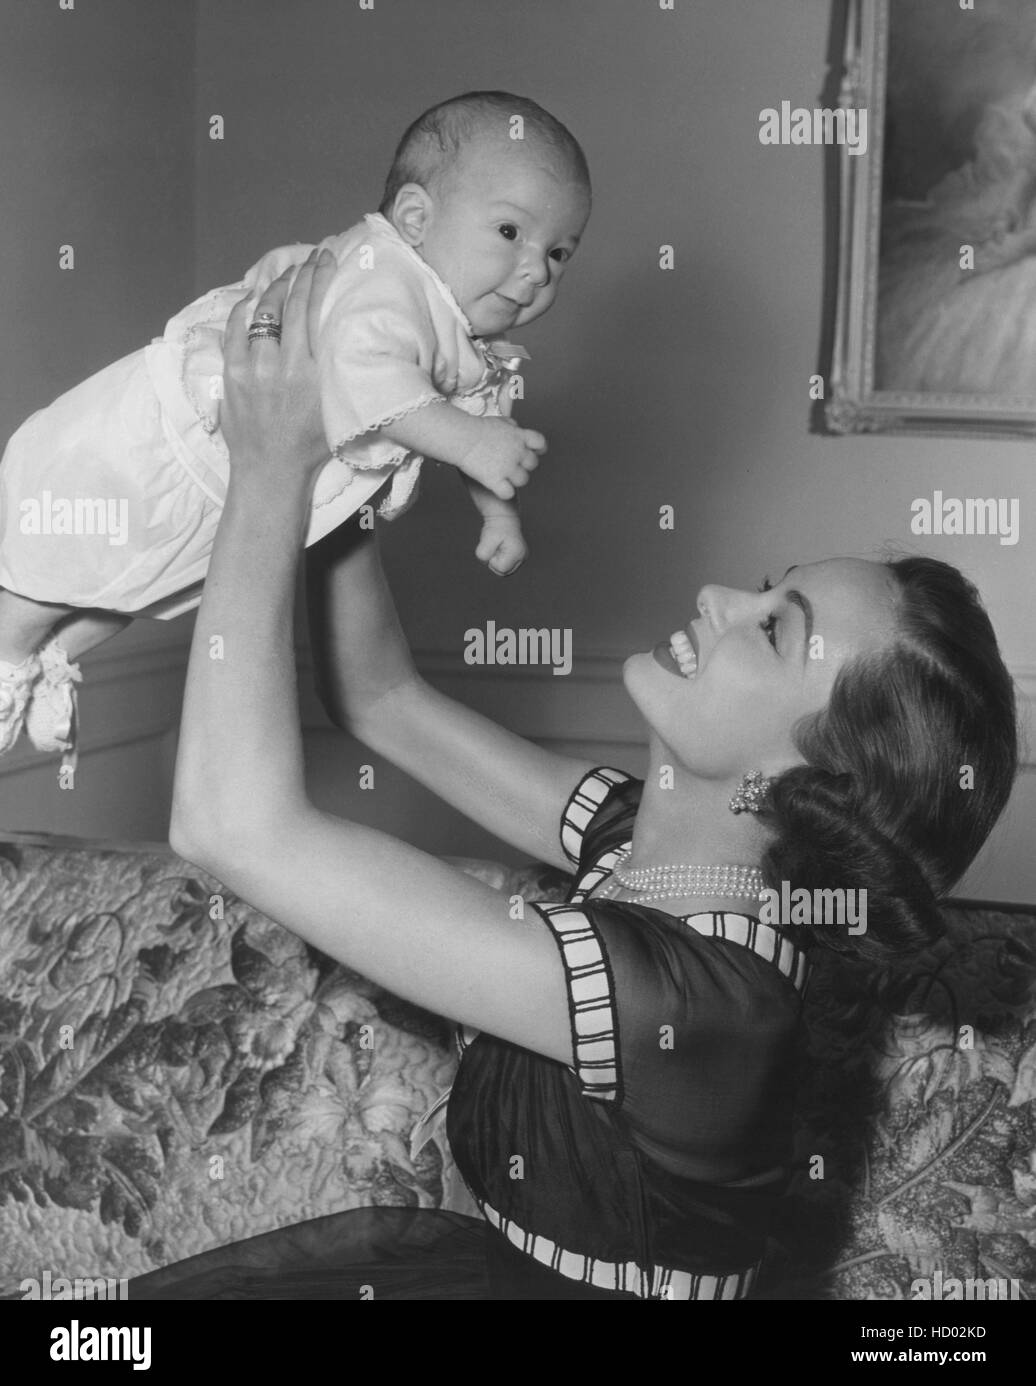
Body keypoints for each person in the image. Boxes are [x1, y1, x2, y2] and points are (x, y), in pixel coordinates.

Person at [128, 256, 1018, 1300]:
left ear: (807, 773)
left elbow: (230, 824)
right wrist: (348, 452)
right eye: (768, 587)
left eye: (773, 628)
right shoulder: (662, 852)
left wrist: (270, 470)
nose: (718, 594)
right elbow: (383, 702)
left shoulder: (698, 1003)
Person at [0, 91, 591, 770]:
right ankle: (10, 646)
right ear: (416, 217)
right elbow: (370, 378)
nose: (536, 269)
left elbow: (480, 436)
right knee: (72, 555)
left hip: (244, 490)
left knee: (139, 589)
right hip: (182, 437)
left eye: (560, 252)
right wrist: (470, 442)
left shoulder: (466, 344)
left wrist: (498, 514)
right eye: (512, 233)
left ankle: (52, 659)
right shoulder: (386, 277)